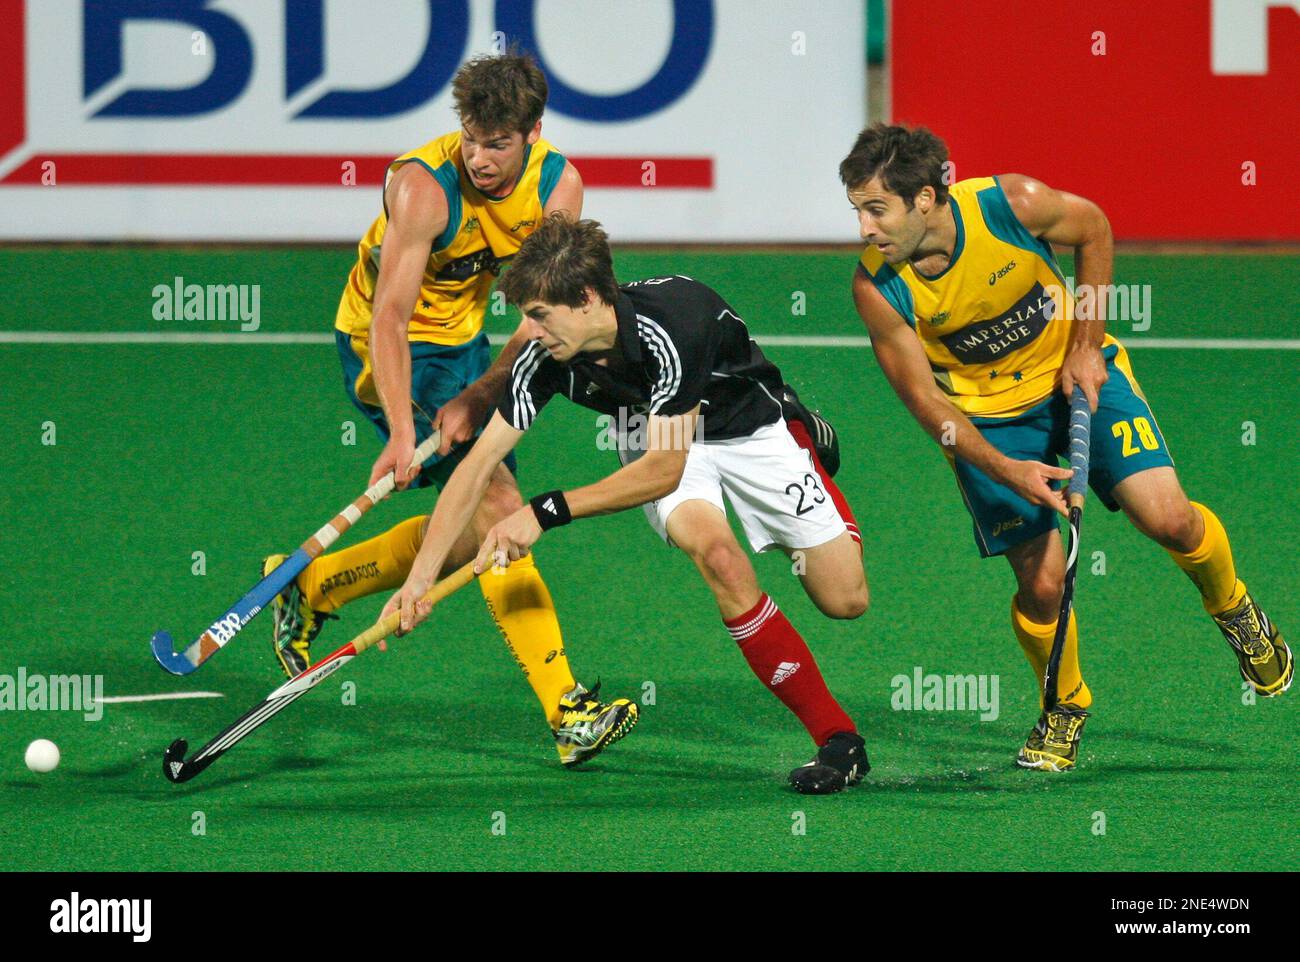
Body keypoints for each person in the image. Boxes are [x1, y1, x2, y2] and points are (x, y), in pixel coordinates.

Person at [843, 123, 1291, 771]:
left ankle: (1233, 606)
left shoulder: (1012, 205)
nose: (864, 230)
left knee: (1167, 517)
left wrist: (1086, 344)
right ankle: (1065, 703)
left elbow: (1095, 230)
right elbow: (928, 407)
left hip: (1075, 378)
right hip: (986, 423)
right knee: (1044, 585)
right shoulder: (877, 288)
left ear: (925, 199)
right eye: (857, 211)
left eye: (876, 209)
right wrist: (1007, 469)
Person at [383, 214, 872, 795]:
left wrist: (543, 511)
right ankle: (838, 739)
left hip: (750, 427)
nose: (529, 331)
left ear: (587, 298)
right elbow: (478, 464)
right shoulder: (545, 357)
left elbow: (663, 473)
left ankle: (808, 438)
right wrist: (417, 581)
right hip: (651, 428)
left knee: (844, 600)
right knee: (717, 555)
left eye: (540, 314)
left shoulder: (677, 325)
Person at [264, 51, 638, 766]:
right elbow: (390, 316)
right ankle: (567, 711)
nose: (481, 157)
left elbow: (542, 309)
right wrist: (402, 429)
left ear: (532, 133)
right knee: (499, 505)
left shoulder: (558, 187)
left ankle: (312, 585)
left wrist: (481, 389)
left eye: (497, 142)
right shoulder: (423, 190)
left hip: (469, 348)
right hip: (388, 350)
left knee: (471, 533)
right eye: (471, 137)